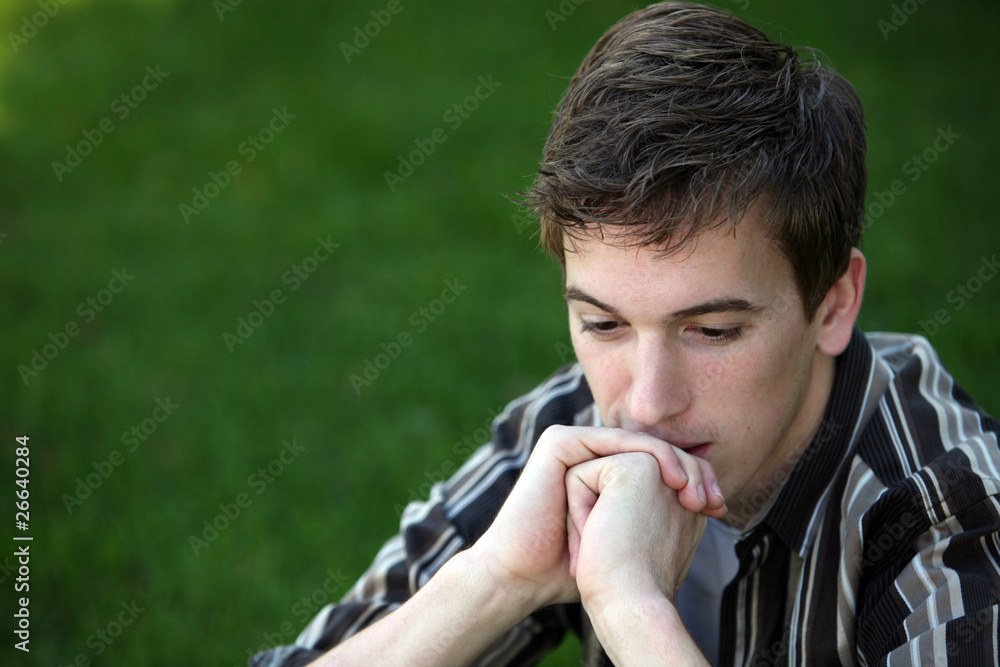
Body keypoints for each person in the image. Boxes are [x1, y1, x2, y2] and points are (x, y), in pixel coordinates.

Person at [253, 2, 1000, 665]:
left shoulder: (946, 511)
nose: (646, 402)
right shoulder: (573, 429)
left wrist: (629, 609)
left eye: (712, 329)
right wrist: (493, 581)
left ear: (834, 304)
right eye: (603, 322)